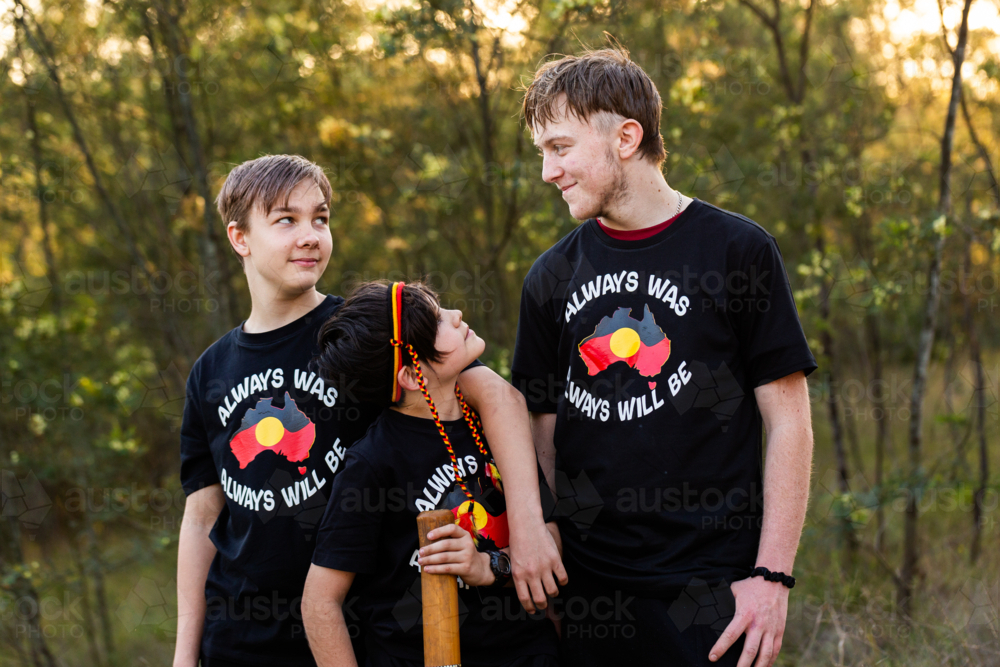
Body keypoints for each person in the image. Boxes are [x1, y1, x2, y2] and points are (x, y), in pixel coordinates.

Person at [175, 155, 565, 667]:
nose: (311, 234)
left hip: (357, 631)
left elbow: (497, 397)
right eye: (286, 220)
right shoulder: (210, 370)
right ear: (240, 238)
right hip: (241, 638)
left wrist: (530, 529)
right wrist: (185, 652)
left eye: (321, 217)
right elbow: (203, 515)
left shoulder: (363, 334)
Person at [512, 47, 817, 666]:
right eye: (543, 152)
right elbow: (539, 424)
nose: (548, 170)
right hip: (589, 594)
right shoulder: (551, 276)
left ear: (626, 137)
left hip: (712, 596)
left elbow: (790, 421)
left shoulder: (737, 250)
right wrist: (543, 537)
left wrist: (772, 579)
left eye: (560, 147)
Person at [301, 281, 560, 667]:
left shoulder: (495, 430)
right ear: (409, 374)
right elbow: (320, 601)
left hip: (524, 652)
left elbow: (546, 538)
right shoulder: (372, 463)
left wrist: (486, 567)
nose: (456, 316)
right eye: (438, 319)